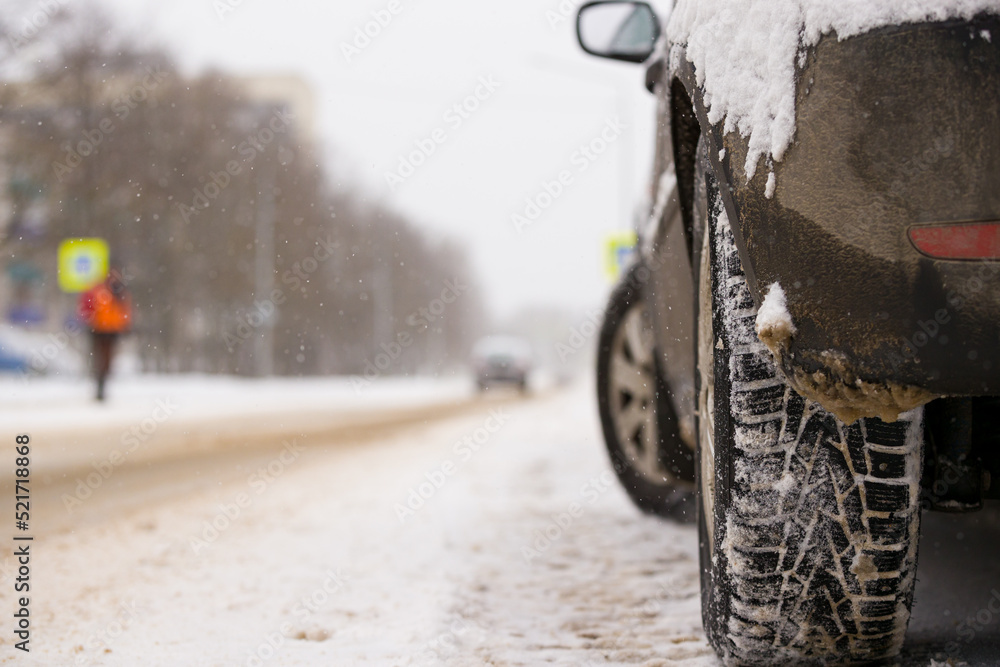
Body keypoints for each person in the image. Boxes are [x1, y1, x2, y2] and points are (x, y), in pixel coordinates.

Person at [78, 269, 132, 401]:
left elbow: (124, 311)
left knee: (107, 359)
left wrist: (124, 325)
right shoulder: (100, 291)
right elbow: (87, 307)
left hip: (111, 330)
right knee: (100, 358)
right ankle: (99, 383)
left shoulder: (119, 292)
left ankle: (102, 383)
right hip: (99, 330)